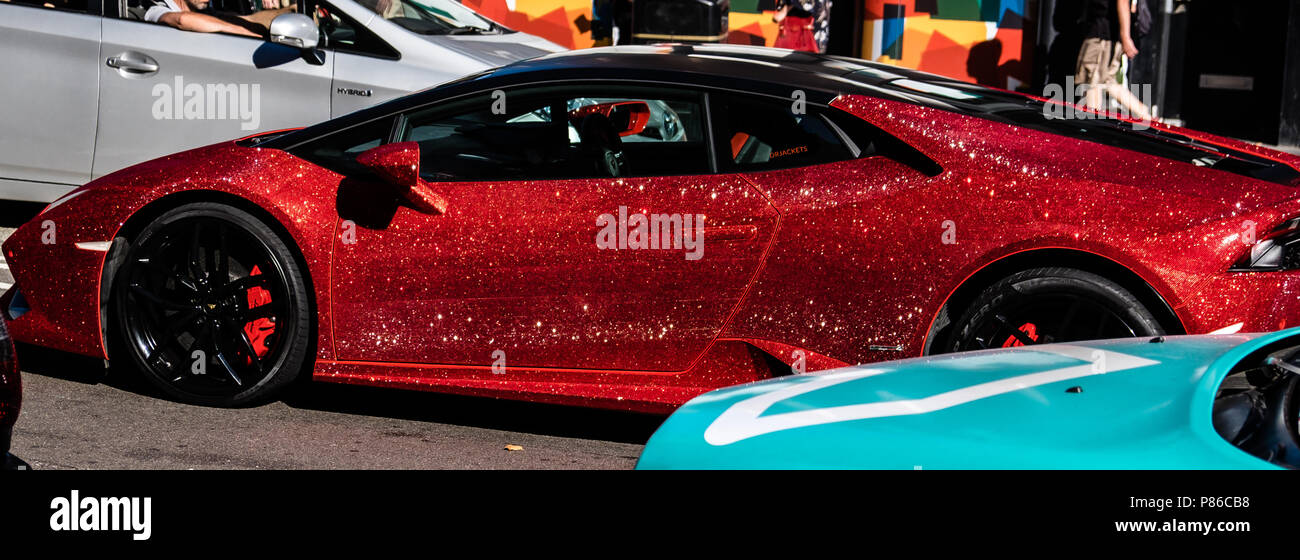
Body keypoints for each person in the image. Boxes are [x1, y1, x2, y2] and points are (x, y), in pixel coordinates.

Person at [1074, 0, 1151, 121]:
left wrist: (1125, 37)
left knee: (1092, 82)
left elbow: (1124, 3)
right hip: (1106, 36)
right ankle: (1143, 113)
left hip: (1102, 36)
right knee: (1108, 82)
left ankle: (1090, 125)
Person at [144, 0, 263, 37]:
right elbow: (183, 20)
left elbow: (248, 20)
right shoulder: (157, 10)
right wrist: (241, 31)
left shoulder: (211, 14)